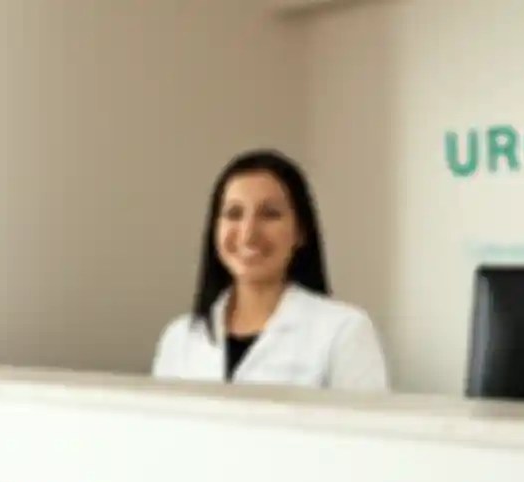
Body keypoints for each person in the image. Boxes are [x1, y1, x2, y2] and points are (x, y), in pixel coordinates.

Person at [152, 150, 389, 391]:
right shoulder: (179, 338)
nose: (248, 234)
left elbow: (368, 428)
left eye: (269, 214)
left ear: (300, 232)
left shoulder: (345, 331)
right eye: (233, 214)